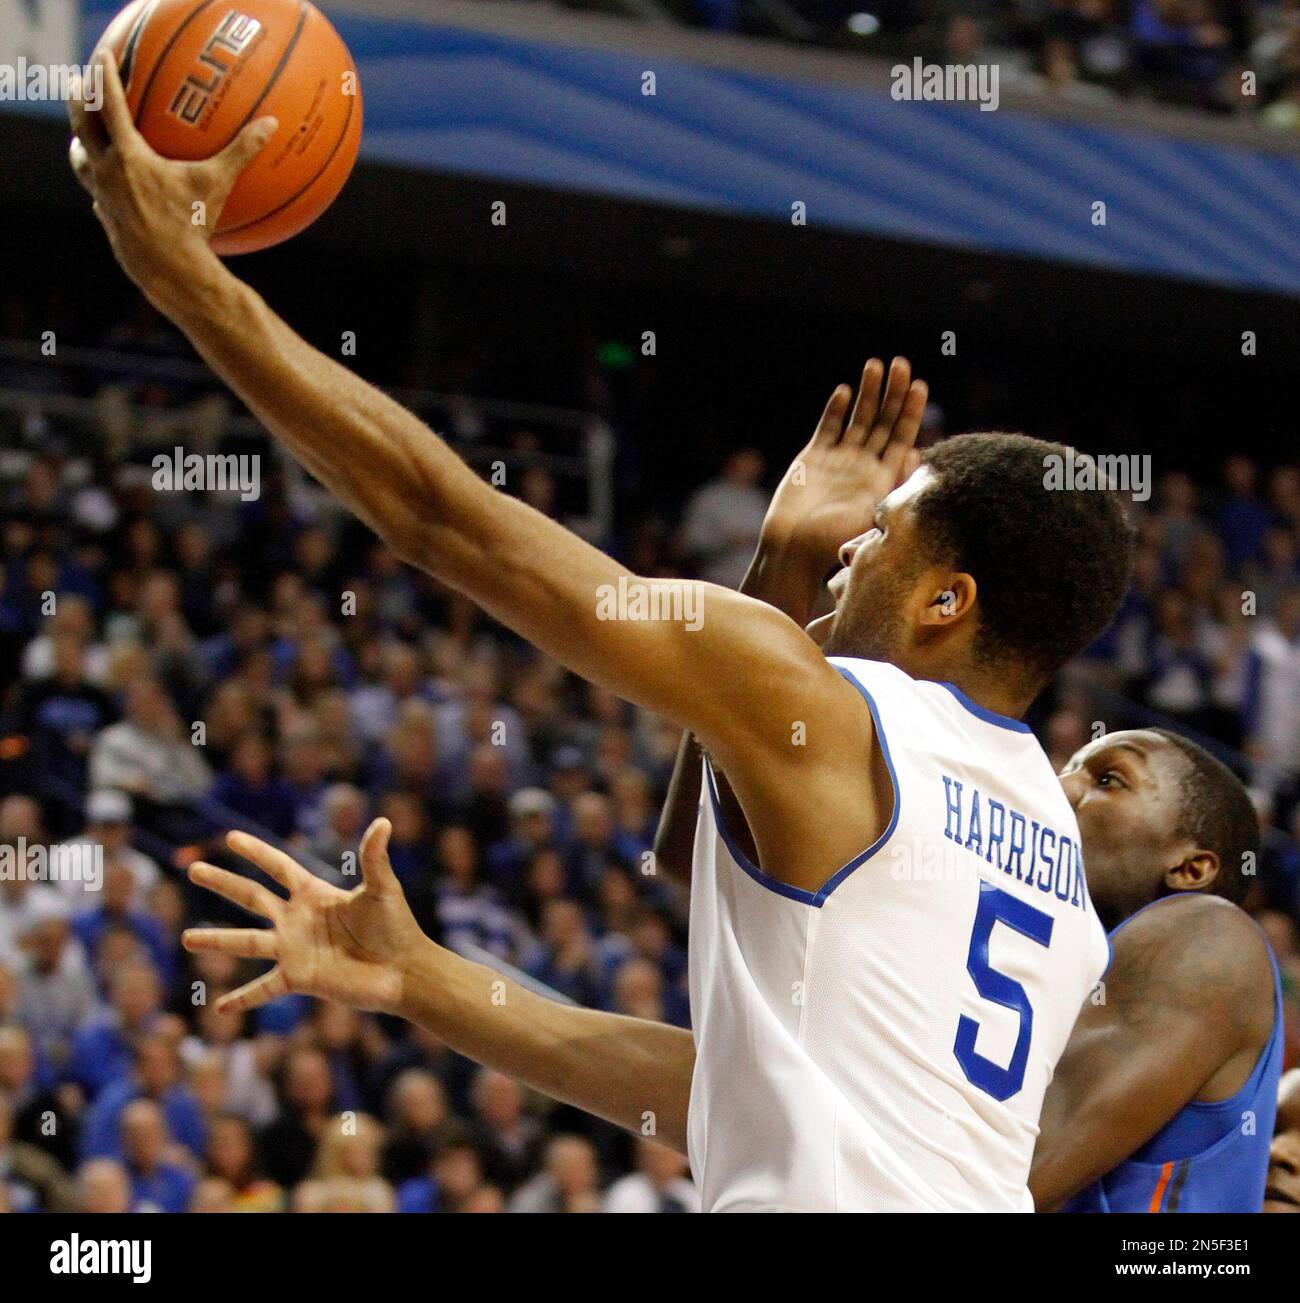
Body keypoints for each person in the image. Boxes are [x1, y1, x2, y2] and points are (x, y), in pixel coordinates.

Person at [71, 54, 1134, 1211]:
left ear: (947, 600)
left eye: (879, 535)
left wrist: (186, 282)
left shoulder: (834, 720)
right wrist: (426, 981)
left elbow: (444, 520)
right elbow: (723, 1078)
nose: (850, 547)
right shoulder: (1051, 851)